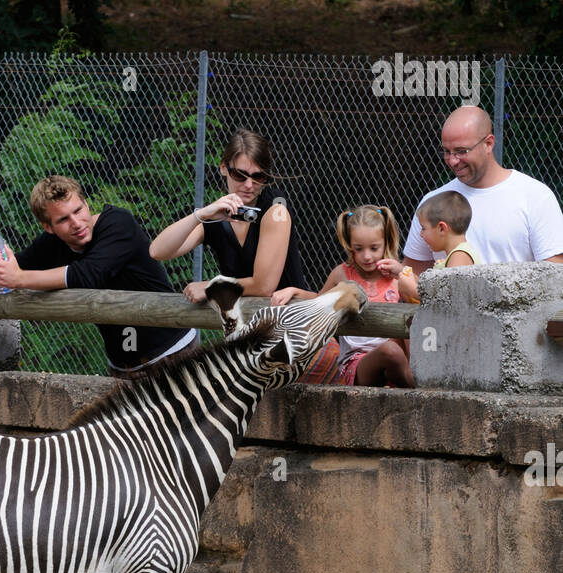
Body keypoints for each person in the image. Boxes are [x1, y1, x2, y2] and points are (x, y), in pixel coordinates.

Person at [0, 174, 196, 377]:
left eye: (78, 210)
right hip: (122, 366)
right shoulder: (52, 243)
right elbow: (17, 265)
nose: (76, 223)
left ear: (86, 204)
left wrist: (18, 278)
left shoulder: (118, 223)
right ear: (48, 227)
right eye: (64, 219)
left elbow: (88, 275)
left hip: (172, 354)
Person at [148, 129, 308, 302]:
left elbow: (264, 286)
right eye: (240, 175)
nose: (249, 185)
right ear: (224, 168)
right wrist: (200, 215)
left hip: (290, 322)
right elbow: (158, 251)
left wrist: (213, 287)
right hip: (244, 324)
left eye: (258, 177)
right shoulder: (218, 213)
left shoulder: (276, 208)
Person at [403, 105, 563, 273]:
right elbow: (413, 273)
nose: (452, 161)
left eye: (461, 151)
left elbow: (555, 276)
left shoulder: (535, 196)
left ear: (488, 143)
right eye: (446, 151)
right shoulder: (433, 202)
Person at [272, 205, 414, 388]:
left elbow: (419, 294)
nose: (367, 256)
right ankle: (418, 391)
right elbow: (319, 299)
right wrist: (294, 291)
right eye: (359, 249)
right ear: (349, 245)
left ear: (386, 242)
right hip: (358, 365)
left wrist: (402, 271)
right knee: (390, 351)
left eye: (374, 248)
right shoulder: (342, 274)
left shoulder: (395, 278)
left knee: (395, 348)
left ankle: (414, 391)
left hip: (396, 366)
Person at [397, 191, 480, 303]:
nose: (421, 234)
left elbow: (449, 298)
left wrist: (413, 290)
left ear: (442, 228)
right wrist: (413, 279)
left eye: (423, 228)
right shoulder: (454, 256)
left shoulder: (459, 256)